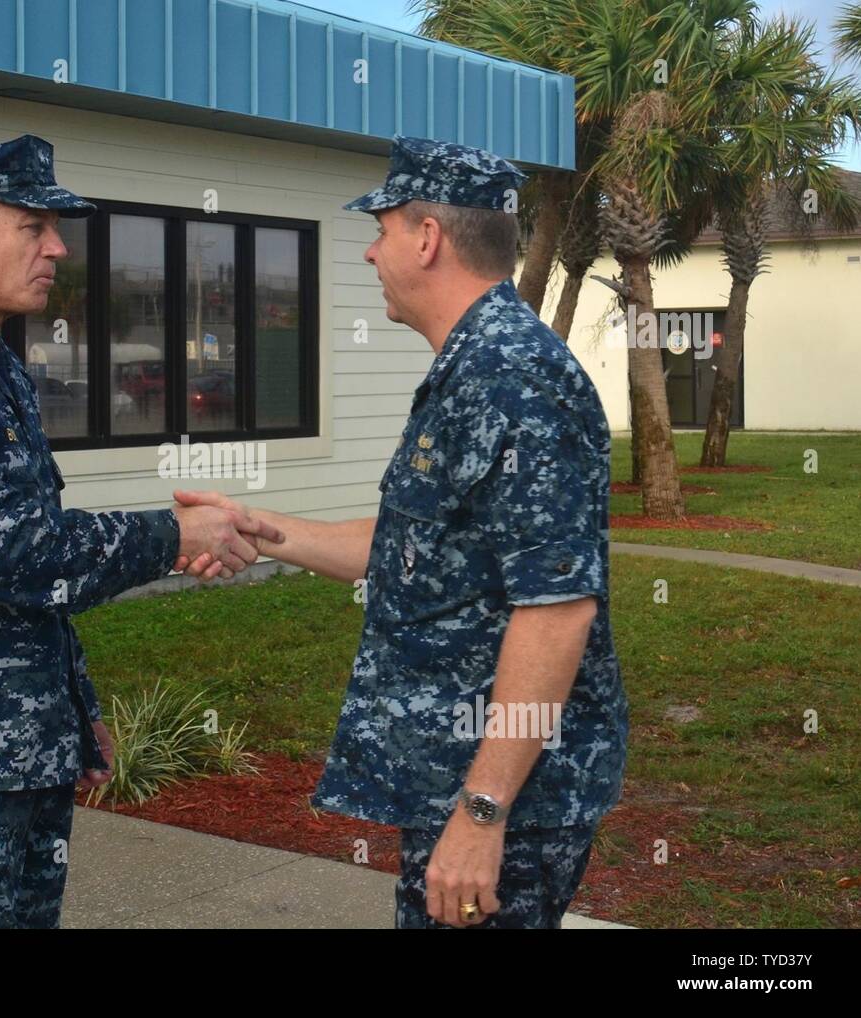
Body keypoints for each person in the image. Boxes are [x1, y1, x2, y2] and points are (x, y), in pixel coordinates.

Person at [176, 135, 629, 929]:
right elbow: (410, 547)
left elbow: (558, 610)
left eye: (380, 230)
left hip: (504, 799)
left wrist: (482, 814)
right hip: (459, 782)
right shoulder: (473, 365)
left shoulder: (512, 379)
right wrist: (259, 528)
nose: (368, 253)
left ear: (427, 239)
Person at [0, 134, 281, 929]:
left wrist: (76, 703)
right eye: (34, 226)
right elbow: (4, 552)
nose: (57, 247)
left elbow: (32, 559)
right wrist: (174, 535)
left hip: (14, 742)